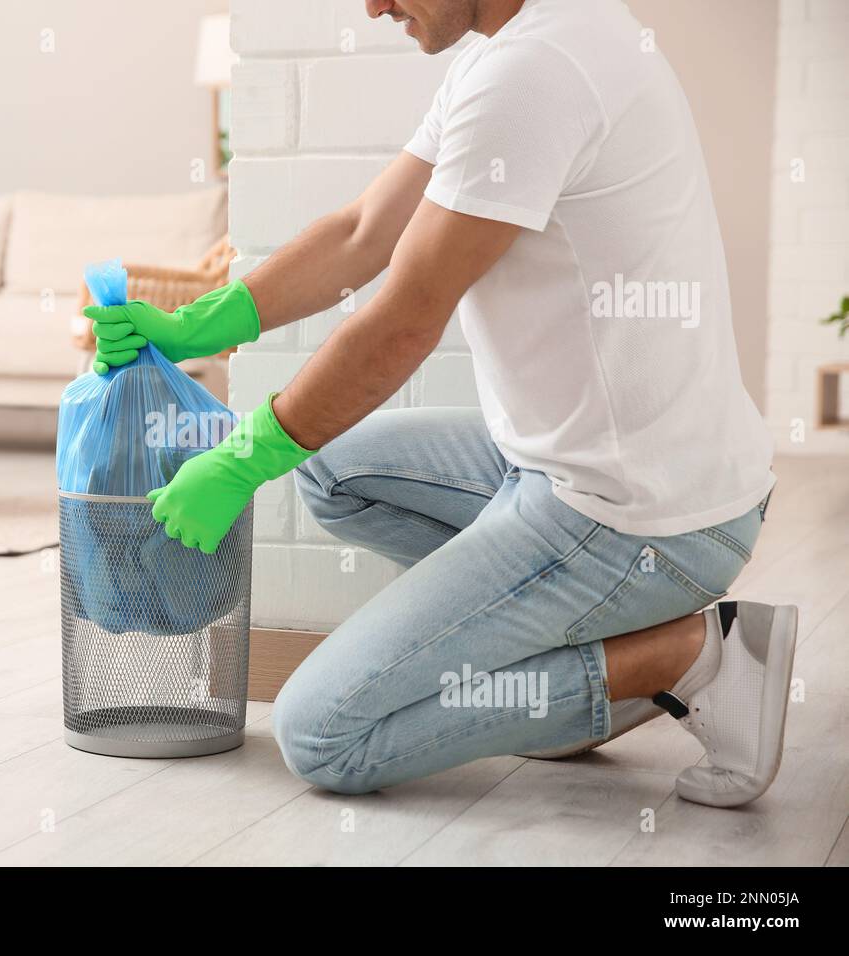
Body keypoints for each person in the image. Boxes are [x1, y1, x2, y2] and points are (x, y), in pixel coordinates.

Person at [83, 0, 795, 808]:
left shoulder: (534, 75)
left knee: (324, 734)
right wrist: (195, 324)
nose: (373, 5)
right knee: (334, 474)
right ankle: (566, 656)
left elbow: (403, 321)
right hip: (590, 464)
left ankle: (688, 655)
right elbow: (362, 233)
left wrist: (245, 459)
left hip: (632, 516)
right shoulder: (519, 46)